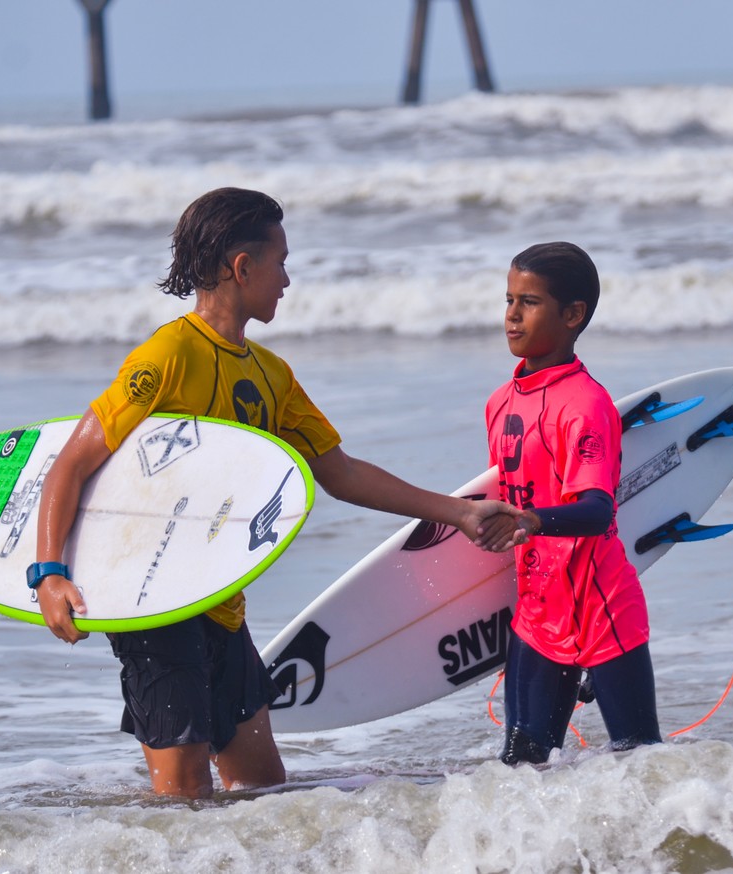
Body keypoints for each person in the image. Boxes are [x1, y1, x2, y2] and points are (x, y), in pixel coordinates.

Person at [32, 187, 520, 798]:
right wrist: (48, 574)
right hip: (156, 604)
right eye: (281, 262)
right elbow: (71, 464)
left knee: (262, 788)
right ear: (243, 267)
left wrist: (459, 512)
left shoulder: (271, 375)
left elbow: (341, 473)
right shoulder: (167, 356)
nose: (287, 280)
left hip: (222, 604)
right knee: (183, 799)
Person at [481, 241, 662, 764]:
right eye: (509, 300)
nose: (512, 315)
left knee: (641, 762)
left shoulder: (585, 405)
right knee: (521, 767)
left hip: (602, 608)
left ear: (573, 314)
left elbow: (598, 511)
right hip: (539, 610)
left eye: (529, 302)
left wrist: (531, 521)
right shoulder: (499, 404)